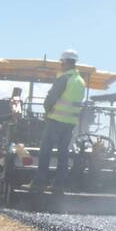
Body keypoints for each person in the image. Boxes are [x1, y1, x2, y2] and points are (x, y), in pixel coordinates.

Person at [32, 50, 86, 194]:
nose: (60, 65)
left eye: (61, 62)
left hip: (56, 120)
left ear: (66, 62)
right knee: (63, 153)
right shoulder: (80, 81)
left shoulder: (64, 78)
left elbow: (51, 98)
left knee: (45, 151)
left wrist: (47, 111)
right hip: (70, 123)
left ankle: (39, 182)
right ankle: (59, 184)